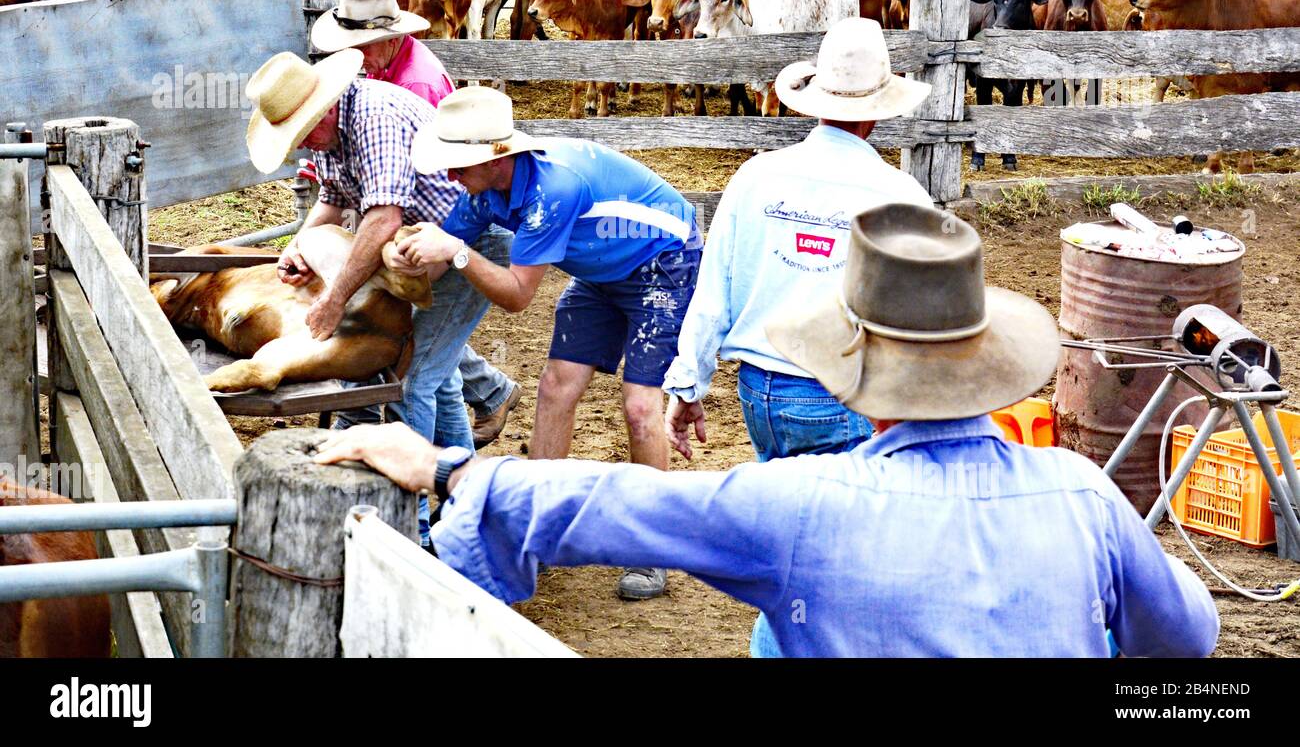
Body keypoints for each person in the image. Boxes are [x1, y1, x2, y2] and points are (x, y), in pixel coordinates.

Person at [316, 203, 1220, 657]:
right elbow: (1189, 635)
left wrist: (443, 466)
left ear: (857, 382)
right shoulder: (1083, 496)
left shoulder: (804, 503)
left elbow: (619, 501)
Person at [660, 16, 935, 656]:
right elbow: (922, 313)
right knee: (840, 554)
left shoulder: (757, 177)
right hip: (848, 392)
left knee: (796, 541)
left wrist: (687, 384)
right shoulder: (899, 193)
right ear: (877, 113)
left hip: (763, 391)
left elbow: (713, 293)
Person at [389, 86, 701, 600]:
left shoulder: (551, 189)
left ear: (495, 154)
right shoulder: (484, 189)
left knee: (641, 406)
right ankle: (538, 522)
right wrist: (413, 255)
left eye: (458, 164)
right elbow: (447, 250)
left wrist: (459, 254)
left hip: (662, 263)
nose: (450, 176)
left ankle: (652, 548)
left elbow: (515, 296)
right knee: (555, 387)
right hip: (601, 270)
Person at [243, 49, 511, 547]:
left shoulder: (375, 117)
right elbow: (331, 199)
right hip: (417, 250)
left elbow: (383, 217)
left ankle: (416, 527)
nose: (303, 144)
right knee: (437, 375)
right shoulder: (328, 129)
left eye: (303, 132)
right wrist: (296, 249)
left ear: (321, 109)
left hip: (465, 240)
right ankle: (469, 504)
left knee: (411, 380)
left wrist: (334, 299)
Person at [311, 0, 522, 447]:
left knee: (413, 369)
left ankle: (418, 504)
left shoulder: (412, 86)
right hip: (421, 236)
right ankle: (456, 476)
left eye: (362, 48)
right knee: (426, 362)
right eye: (350, 49)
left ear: (389, 39)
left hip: (448, 233)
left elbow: (392, 207)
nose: (357, 59)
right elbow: (339, 193)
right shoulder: (352, 94)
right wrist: (299, 249)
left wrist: (338, 294)